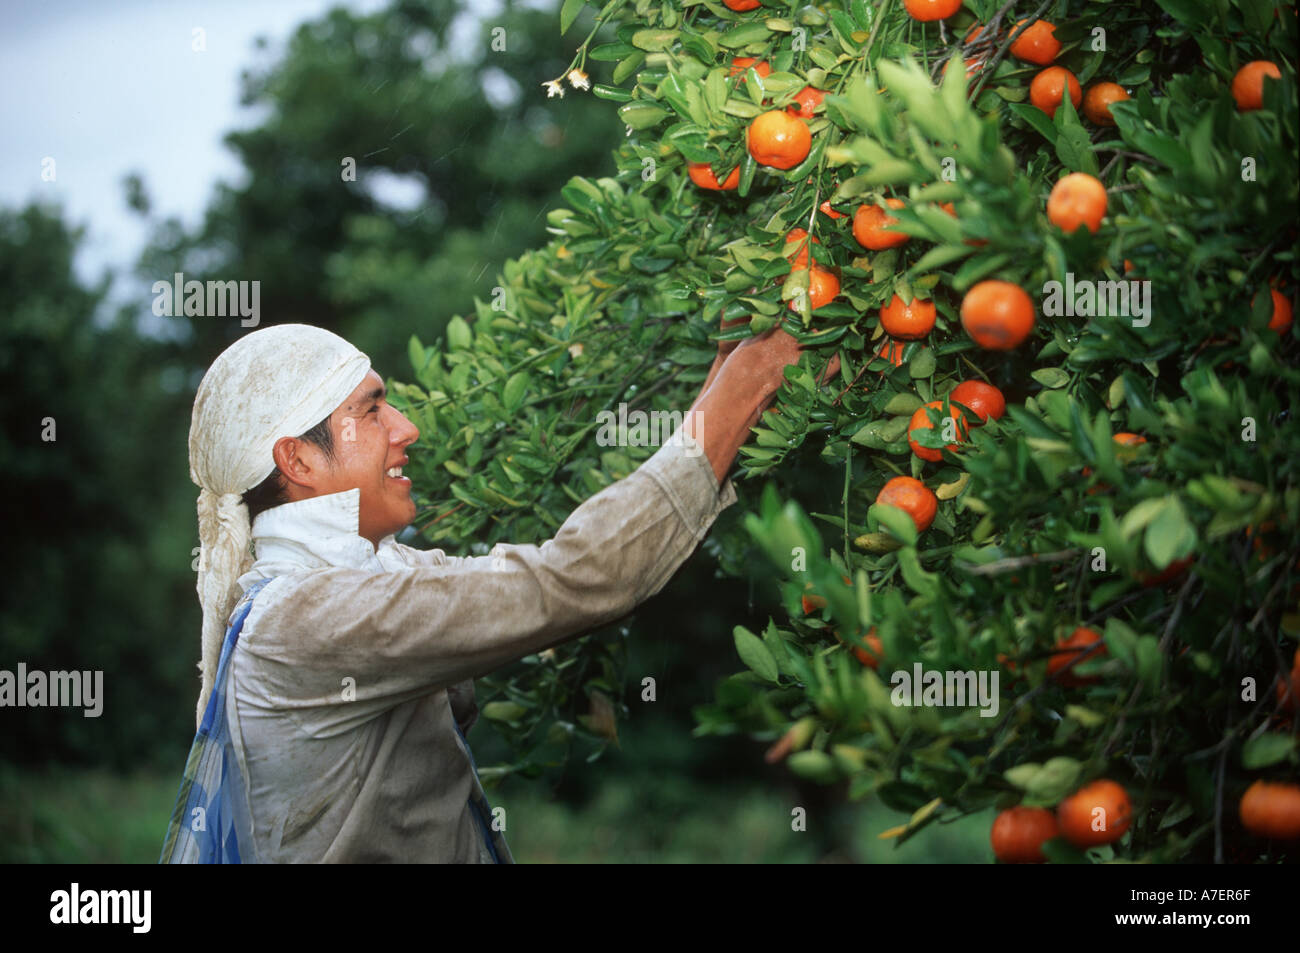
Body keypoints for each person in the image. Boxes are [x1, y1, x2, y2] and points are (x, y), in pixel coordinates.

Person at [162, 320, 828, 863]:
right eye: (370, 411)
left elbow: (558, 575)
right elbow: (575, 578)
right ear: (298, 460)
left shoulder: (367, 579)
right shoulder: (307, 617)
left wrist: (739, 377)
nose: (405, 427)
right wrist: (747, 384)